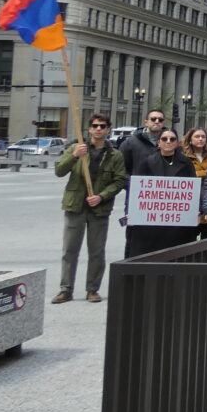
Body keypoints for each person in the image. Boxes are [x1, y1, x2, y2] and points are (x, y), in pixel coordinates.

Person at [52, 113, 127, 304]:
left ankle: (92, 289)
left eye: (102, 126)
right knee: (70, 250)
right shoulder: (76, 148)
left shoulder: (115, 155)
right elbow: (59, 171)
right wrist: (74, 156)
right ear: (89, 129)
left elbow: (119, 181)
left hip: (99, 209)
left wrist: (101, 196)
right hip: (75, 206)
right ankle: (66, 289)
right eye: (95, 126)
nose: (98, 129)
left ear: (108, 129)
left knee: (96, 251)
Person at [124, 127, 201, 257]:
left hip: (178, 225)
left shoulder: (186, 163)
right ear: (158, 142)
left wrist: (196, 210)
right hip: (152, 225)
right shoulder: (146, 162)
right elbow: (137, 190)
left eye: (172, 139)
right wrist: (131, 211)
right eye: (164, 139)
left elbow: (193, 191)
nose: (168, 141)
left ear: (177, 143)